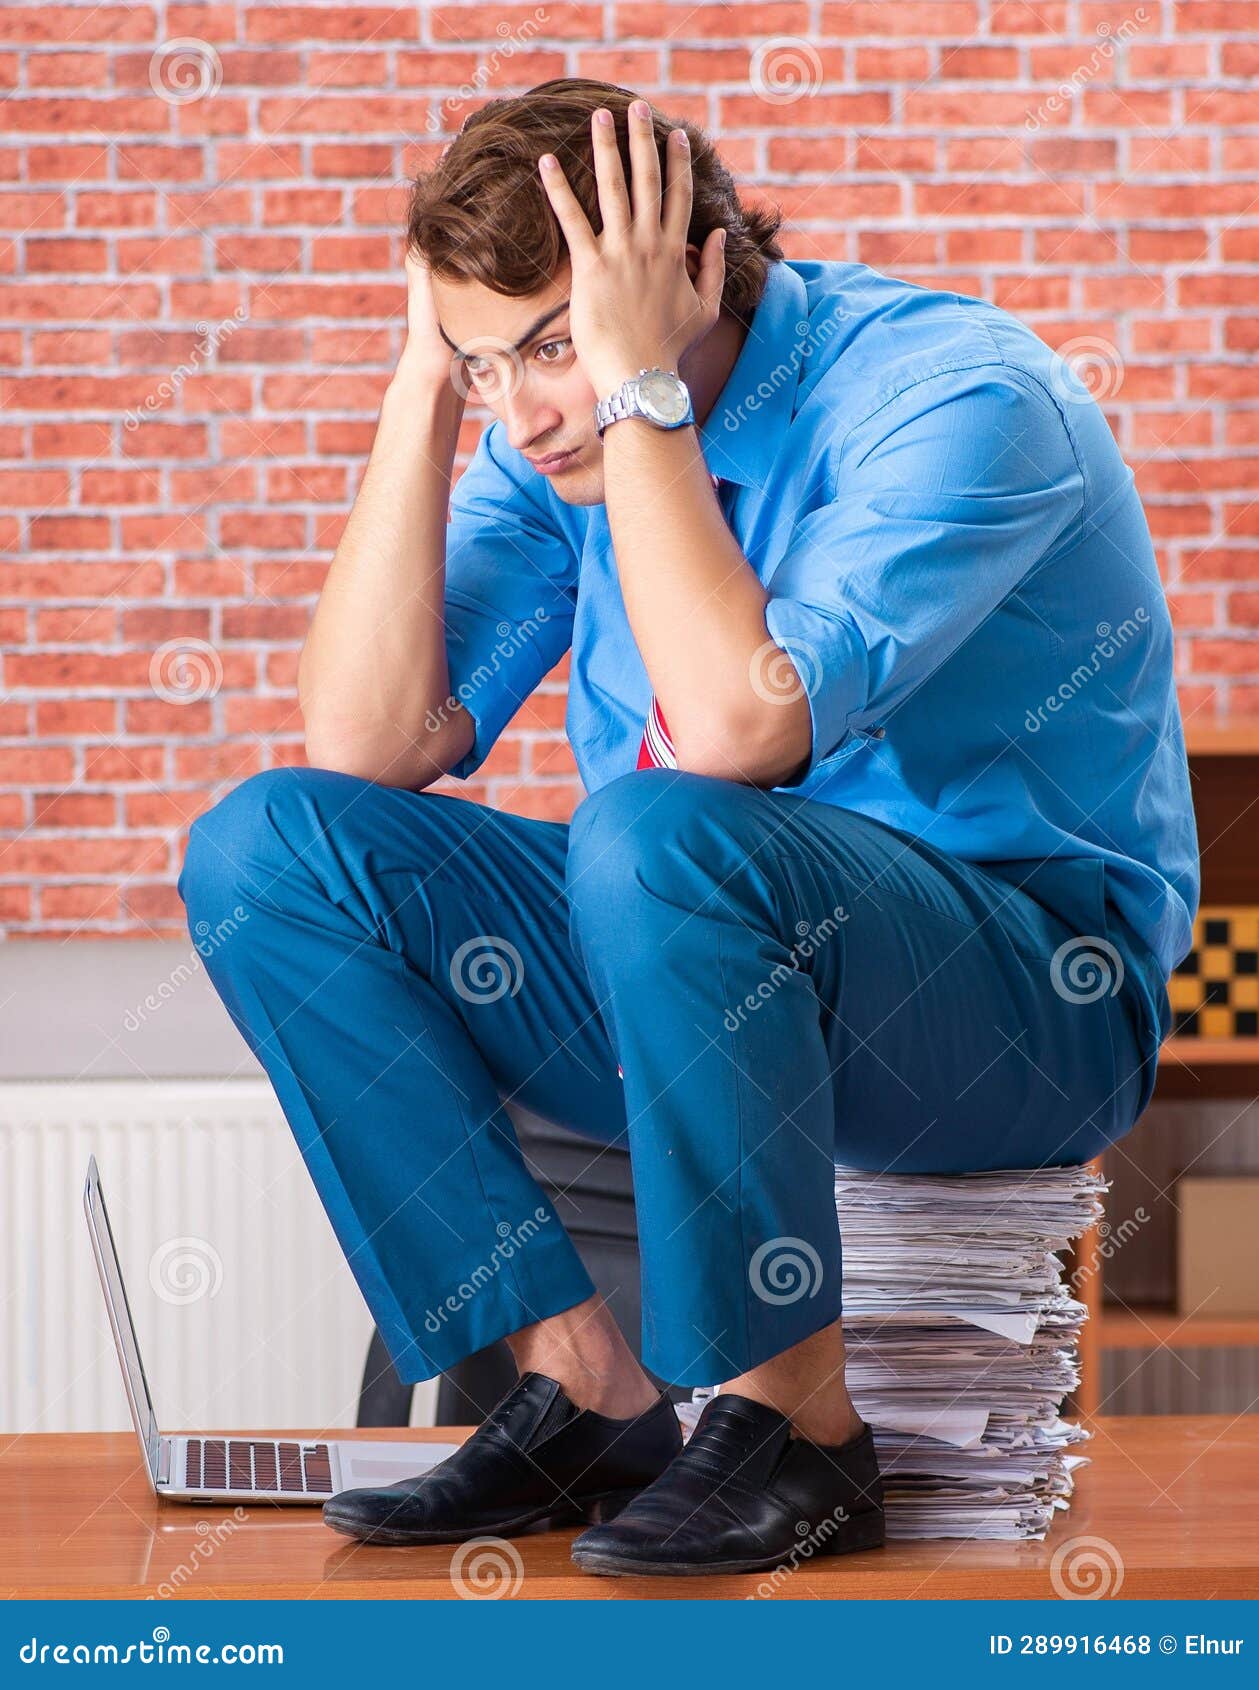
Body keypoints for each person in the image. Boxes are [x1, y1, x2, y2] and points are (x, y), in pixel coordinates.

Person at [178, 77, 1199, 1577]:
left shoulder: (960, 396)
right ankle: (581, 1386)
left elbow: (737, 732)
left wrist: (634, 381)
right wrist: (421, 380)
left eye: (550, 347)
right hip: (699, 975)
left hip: (1015, 1003)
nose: (525, 411)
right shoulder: (550, 449)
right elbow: (369, 742)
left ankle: (797, 1426)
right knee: (269, 849)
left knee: (661, 828)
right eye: (488, 364)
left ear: (693, 276)